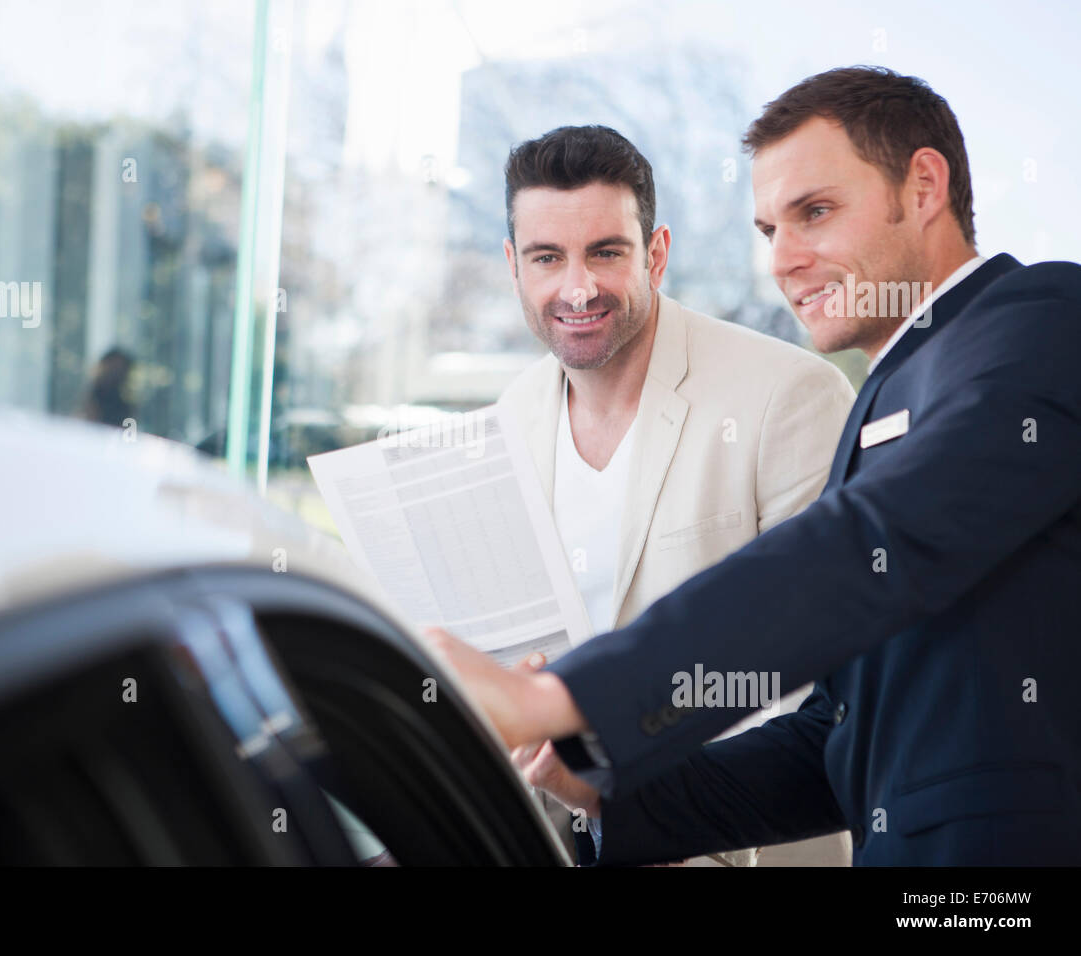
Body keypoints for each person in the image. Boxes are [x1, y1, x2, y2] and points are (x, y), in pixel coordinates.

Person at [429, 66, 1081, 866]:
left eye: (815, 212)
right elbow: (828, 747)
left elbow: (865, 546)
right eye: (771, 231)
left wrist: (558, 698)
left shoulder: (1047, 319)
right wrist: (601, 782)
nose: (785, 261)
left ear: (923, 187)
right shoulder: (890, 396)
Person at [495, 125, 855, 865]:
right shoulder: (510, 417)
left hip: (725, 844)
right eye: (546, 258)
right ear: (514, 266)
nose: (577, 287)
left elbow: (824, 684)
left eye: (605, 251)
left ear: (656, 253)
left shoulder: (789, 396)